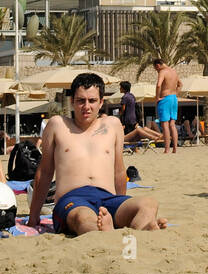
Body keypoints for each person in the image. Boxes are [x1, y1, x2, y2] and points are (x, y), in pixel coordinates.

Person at [27, 73, 166, 235]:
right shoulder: (57, 125)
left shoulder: (112, 125)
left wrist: (119, 208)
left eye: (92, 101)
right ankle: (103, 232)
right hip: (72, 200)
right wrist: (33, 216)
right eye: (81, 100)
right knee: (84, 218)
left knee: (148, 203)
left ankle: (141, 228)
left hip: (107, 199)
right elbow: (44, 173)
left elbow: (119, 171)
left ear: (101, 103)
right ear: (72, 101)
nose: (86, 106)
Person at [154, 58, 181, 155]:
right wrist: (176, 94)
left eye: (156, 69)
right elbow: (180, 84)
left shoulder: (162, 72)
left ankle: (167, 149)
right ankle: (175, 148)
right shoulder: (174, 71)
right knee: (172, 124)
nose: (157, 71)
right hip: (174, 98)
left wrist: (157, 98)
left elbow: (158, 85)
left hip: (165, 99)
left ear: (158, 65)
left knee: (165, 124)